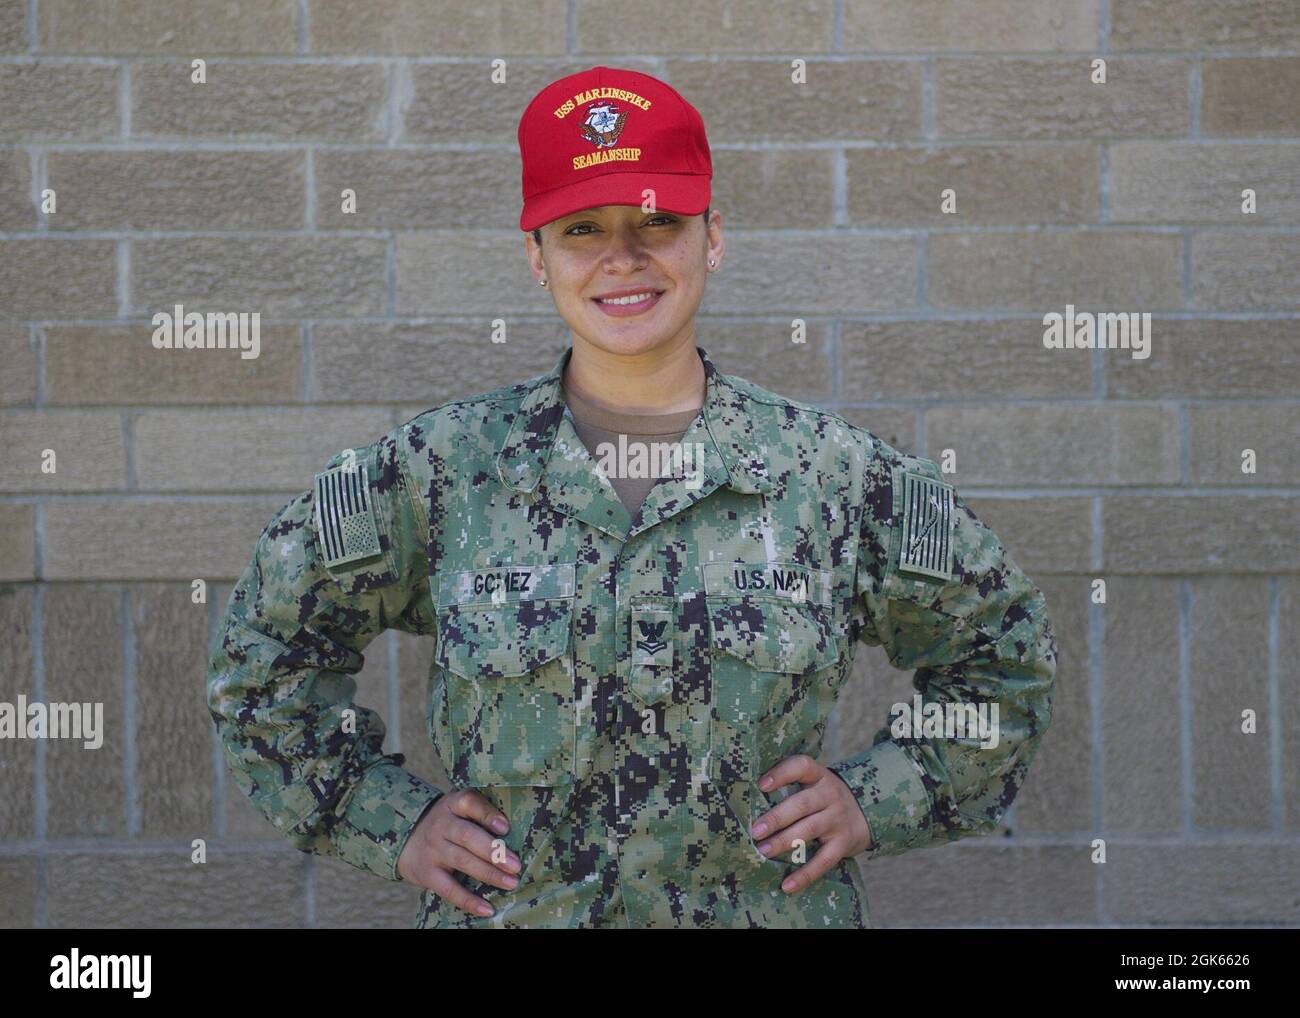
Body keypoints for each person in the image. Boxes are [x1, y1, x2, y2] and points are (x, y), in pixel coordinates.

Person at [206, 65, 1057, 929]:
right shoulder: (441, 471)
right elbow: (265, 661)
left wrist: (878, 796)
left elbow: (1005, 653)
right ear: (535, 258)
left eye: (658, 221)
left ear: (712, 237)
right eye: (583, 229)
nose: (625, 257)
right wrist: (394, 822)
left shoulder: (828, 475)